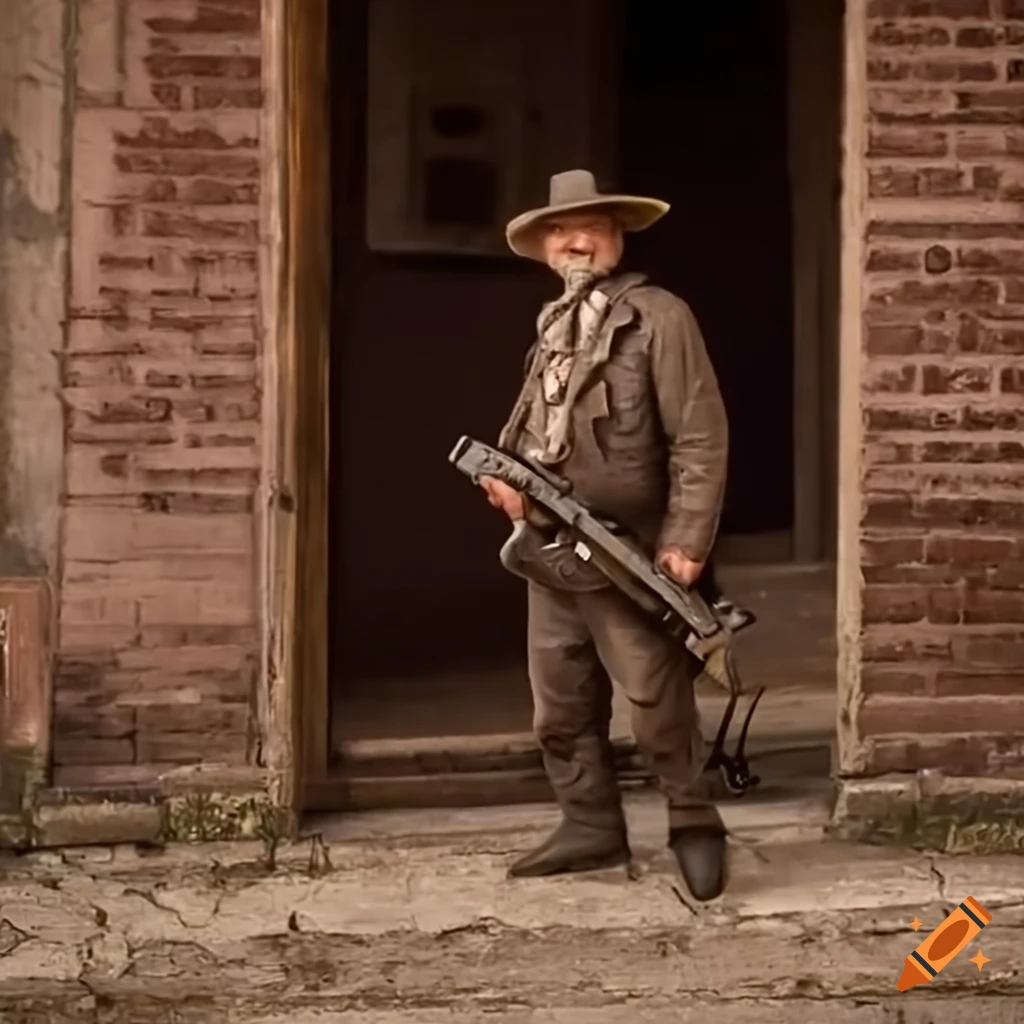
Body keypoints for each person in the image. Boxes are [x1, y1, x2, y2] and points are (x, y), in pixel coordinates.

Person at [478, 169, 732, 902]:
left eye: (590, 226)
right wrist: (510, 484)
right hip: (550, 550)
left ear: (618, 237)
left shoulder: (659, 317)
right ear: (546, 247)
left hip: (631, 551)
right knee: (558, 702)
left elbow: (700, 437)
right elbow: (536, 429)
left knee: (656, 701)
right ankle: (589, 823)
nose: (575, 239)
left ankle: (693, 822)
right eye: (559, 229)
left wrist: (685, 541)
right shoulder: (553, 326)